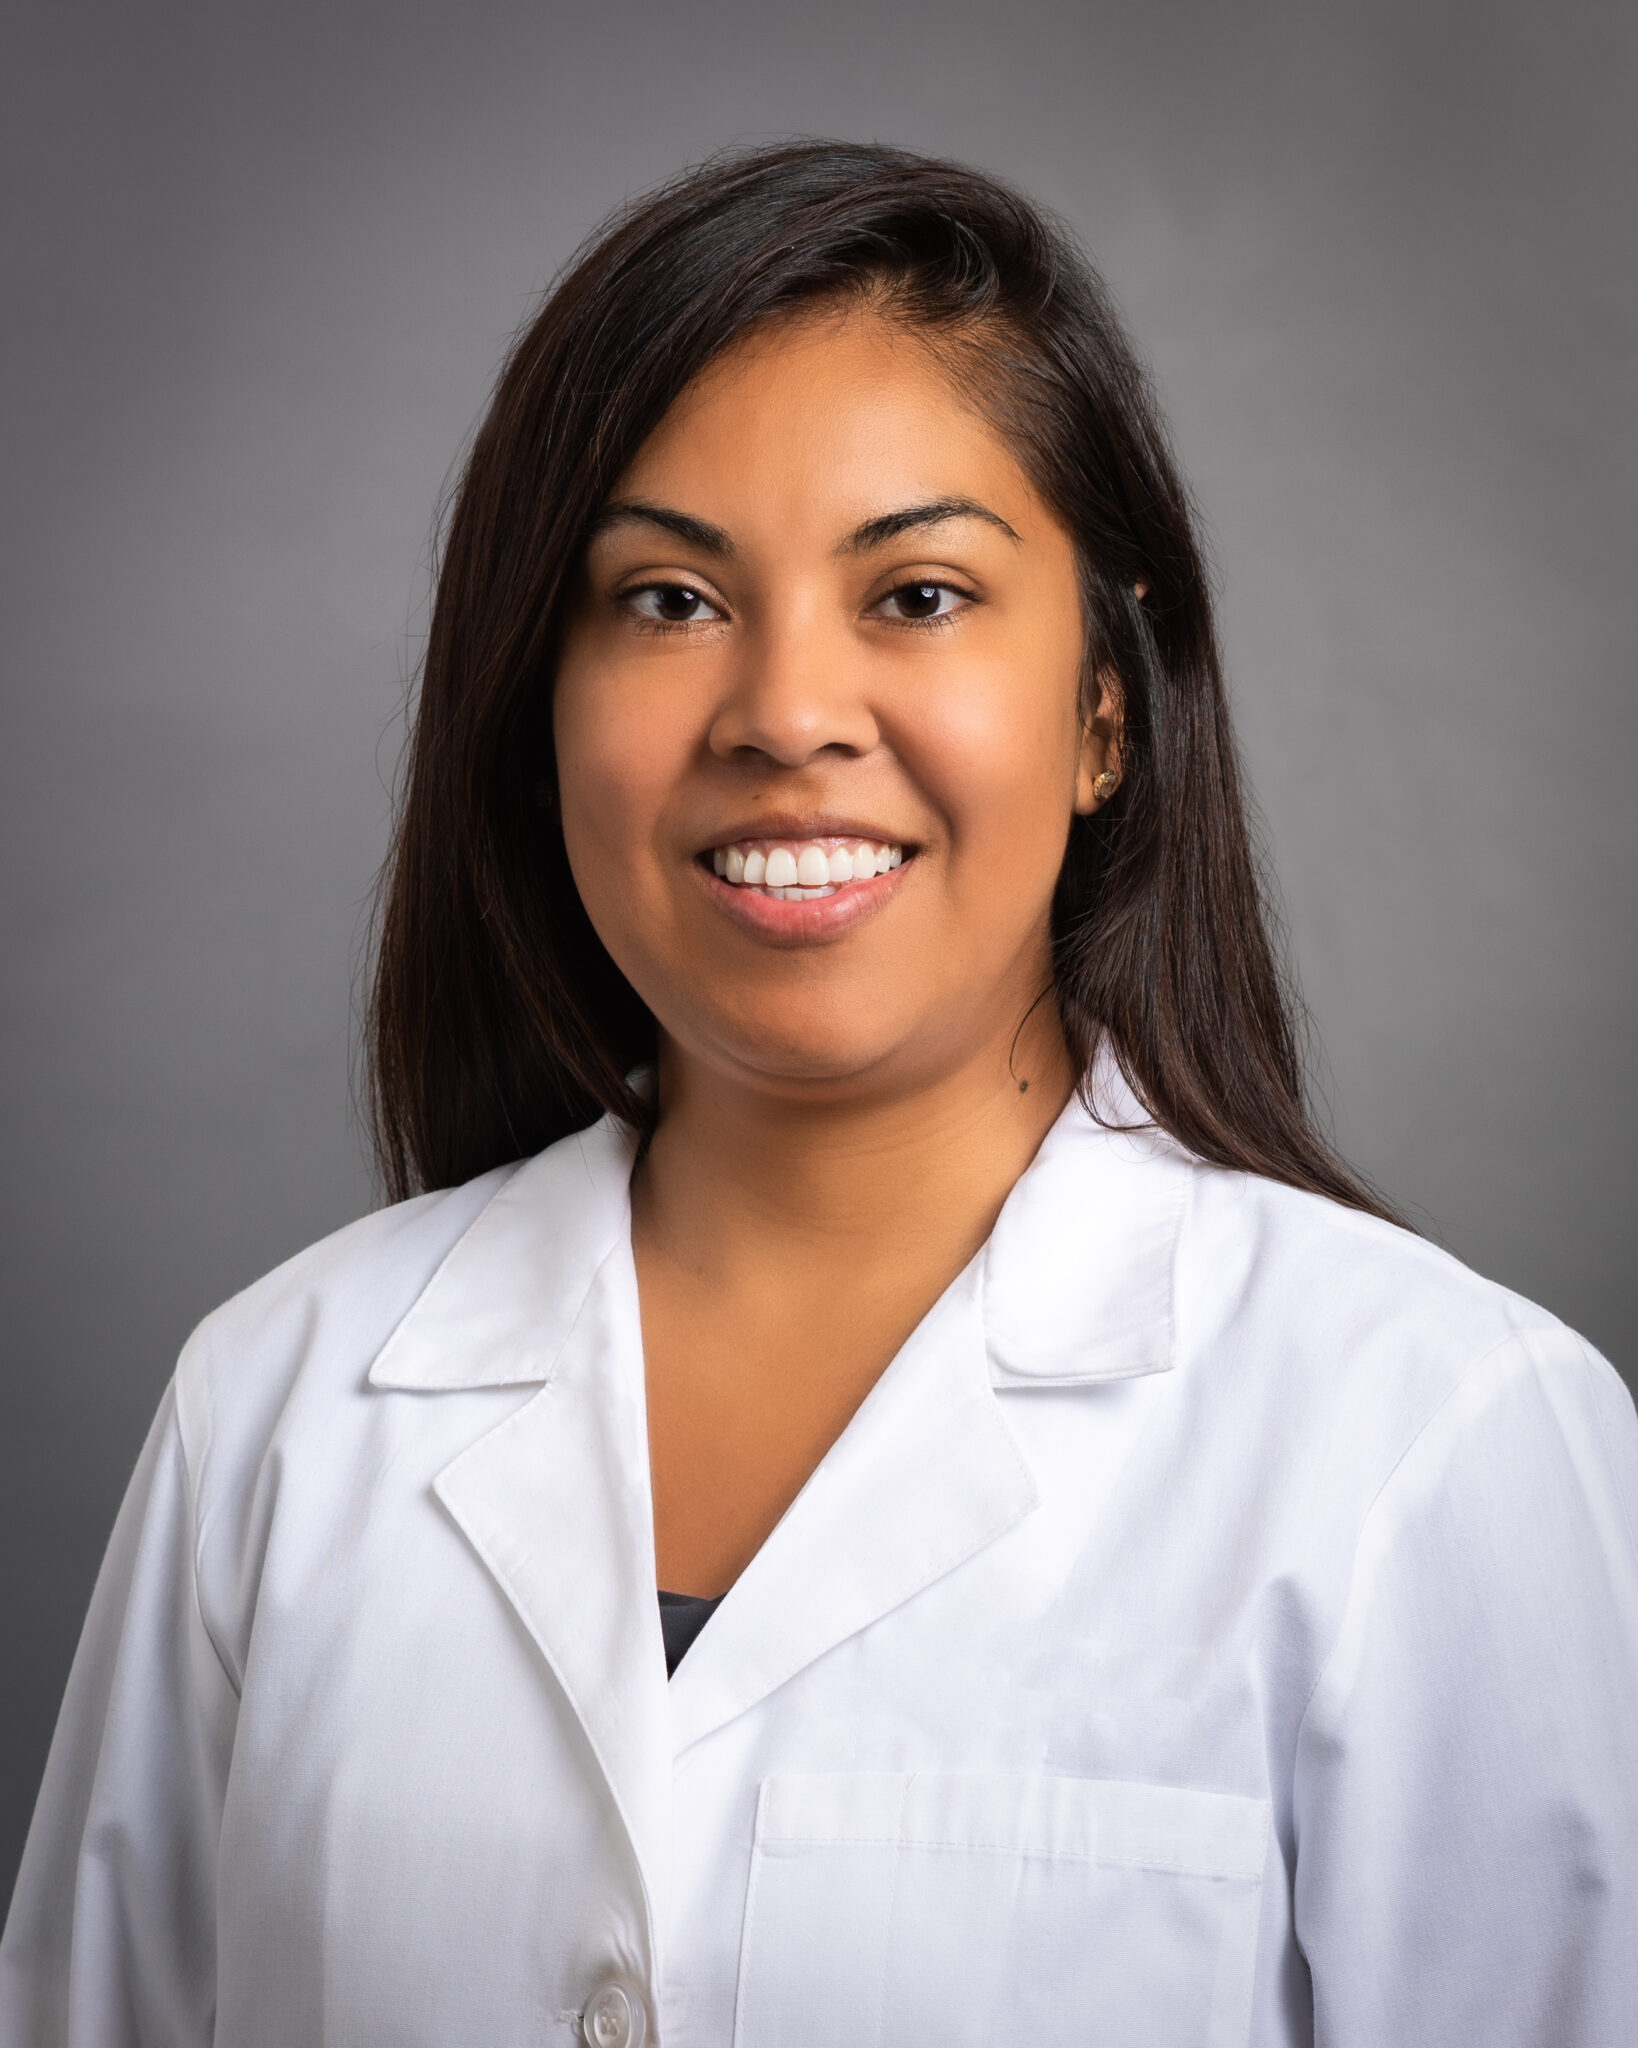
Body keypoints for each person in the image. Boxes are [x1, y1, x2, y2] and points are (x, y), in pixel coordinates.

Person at [3, 140, 1635, 2048]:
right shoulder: (276, 1412)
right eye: (668, 599)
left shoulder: (1430, 1438)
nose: (784, 714)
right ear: (536, 702)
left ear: (1105, 708)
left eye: (919, 594)